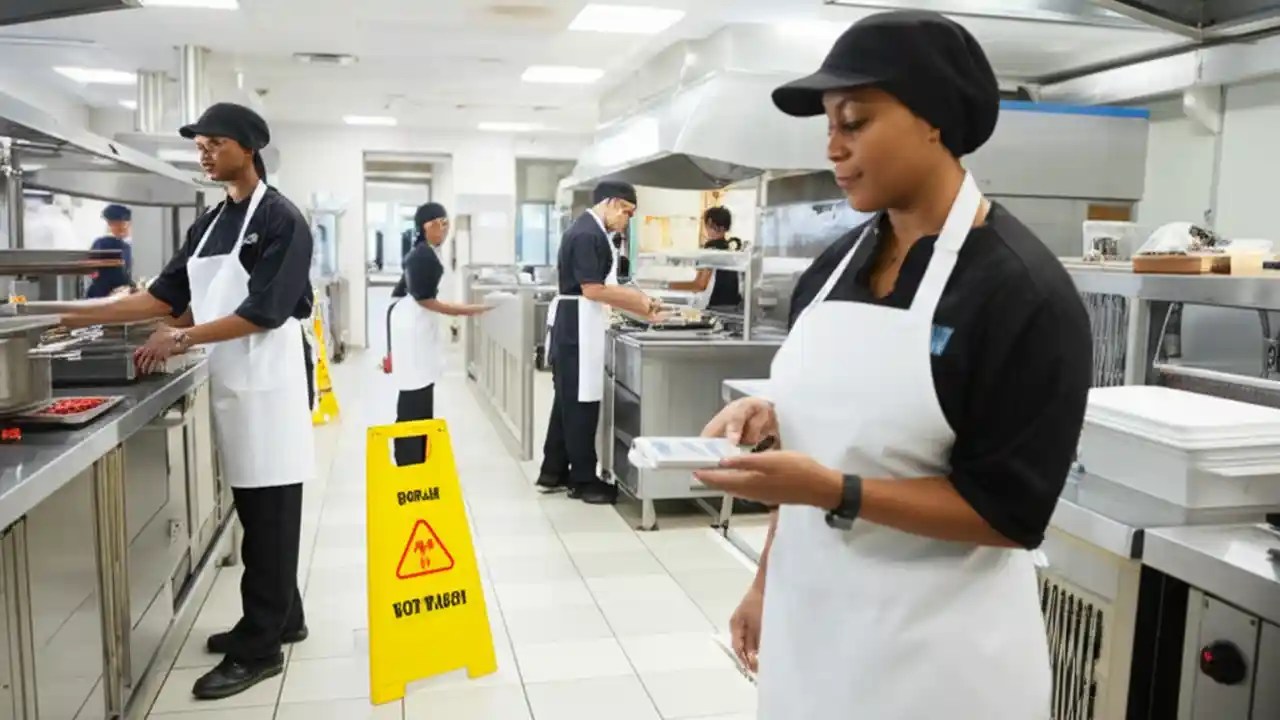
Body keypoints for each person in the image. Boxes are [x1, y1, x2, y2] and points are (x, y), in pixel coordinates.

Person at [694, 11, 1091, 719]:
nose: (834, 148)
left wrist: (835, 490)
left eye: (855, 121)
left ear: (933, 120)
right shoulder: (830, 270)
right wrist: (774, 436)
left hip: (939, 665)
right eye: (828, 126)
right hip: (812, 632)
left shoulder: (1020, 292)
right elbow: (823, 448)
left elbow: (1008, 514)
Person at [59, 102, 316, 701]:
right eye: (200, 144)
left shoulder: (281, 219)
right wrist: (68, 314)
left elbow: (265, 310)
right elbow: (164, 298)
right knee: (256, 511)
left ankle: (261, 650)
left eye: (215, 143)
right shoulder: (207, 224)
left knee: (273, 513)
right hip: (233, 378)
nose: (204, 152)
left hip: (270, 381)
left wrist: (183, 336)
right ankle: (283, 618)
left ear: (248, 148)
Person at [536, 181, 664, 504]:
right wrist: (638, 303)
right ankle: (582, 480)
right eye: (627, 213)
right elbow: (592, 289)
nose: (627, 221)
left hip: (579, 321)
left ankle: (553, 470)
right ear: (612, 203)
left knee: (566, 400)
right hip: (577, 323)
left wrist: (635, 299)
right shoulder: (587, 234)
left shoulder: (591, 231)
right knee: (581, 404)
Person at [388, 202, 490, 466]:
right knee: (414, 393)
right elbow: (425, 300)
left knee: (421, 392)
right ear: (423, 228)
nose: (442, 230)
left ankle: (417, 453)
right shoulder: (421, 255)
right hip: (412, 328)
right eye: (436, 225)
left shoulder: (428, 252)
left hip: (417, 327)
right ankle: (408, 460)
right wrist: (468, 310)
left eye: (445, 224)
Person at [668, 206, 742, 309]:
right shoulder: (729, 248)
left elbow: (699, 285)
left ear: (710, 222)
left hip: (716, 308)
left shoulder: (710, 250)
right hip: (733, 307)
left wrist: (669, 285)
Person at [86, 204, 134, 298]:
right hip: (115, 295)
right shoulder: (124, 247)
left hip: (101, 295)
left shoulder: (99, 243)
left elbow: (92, 271)